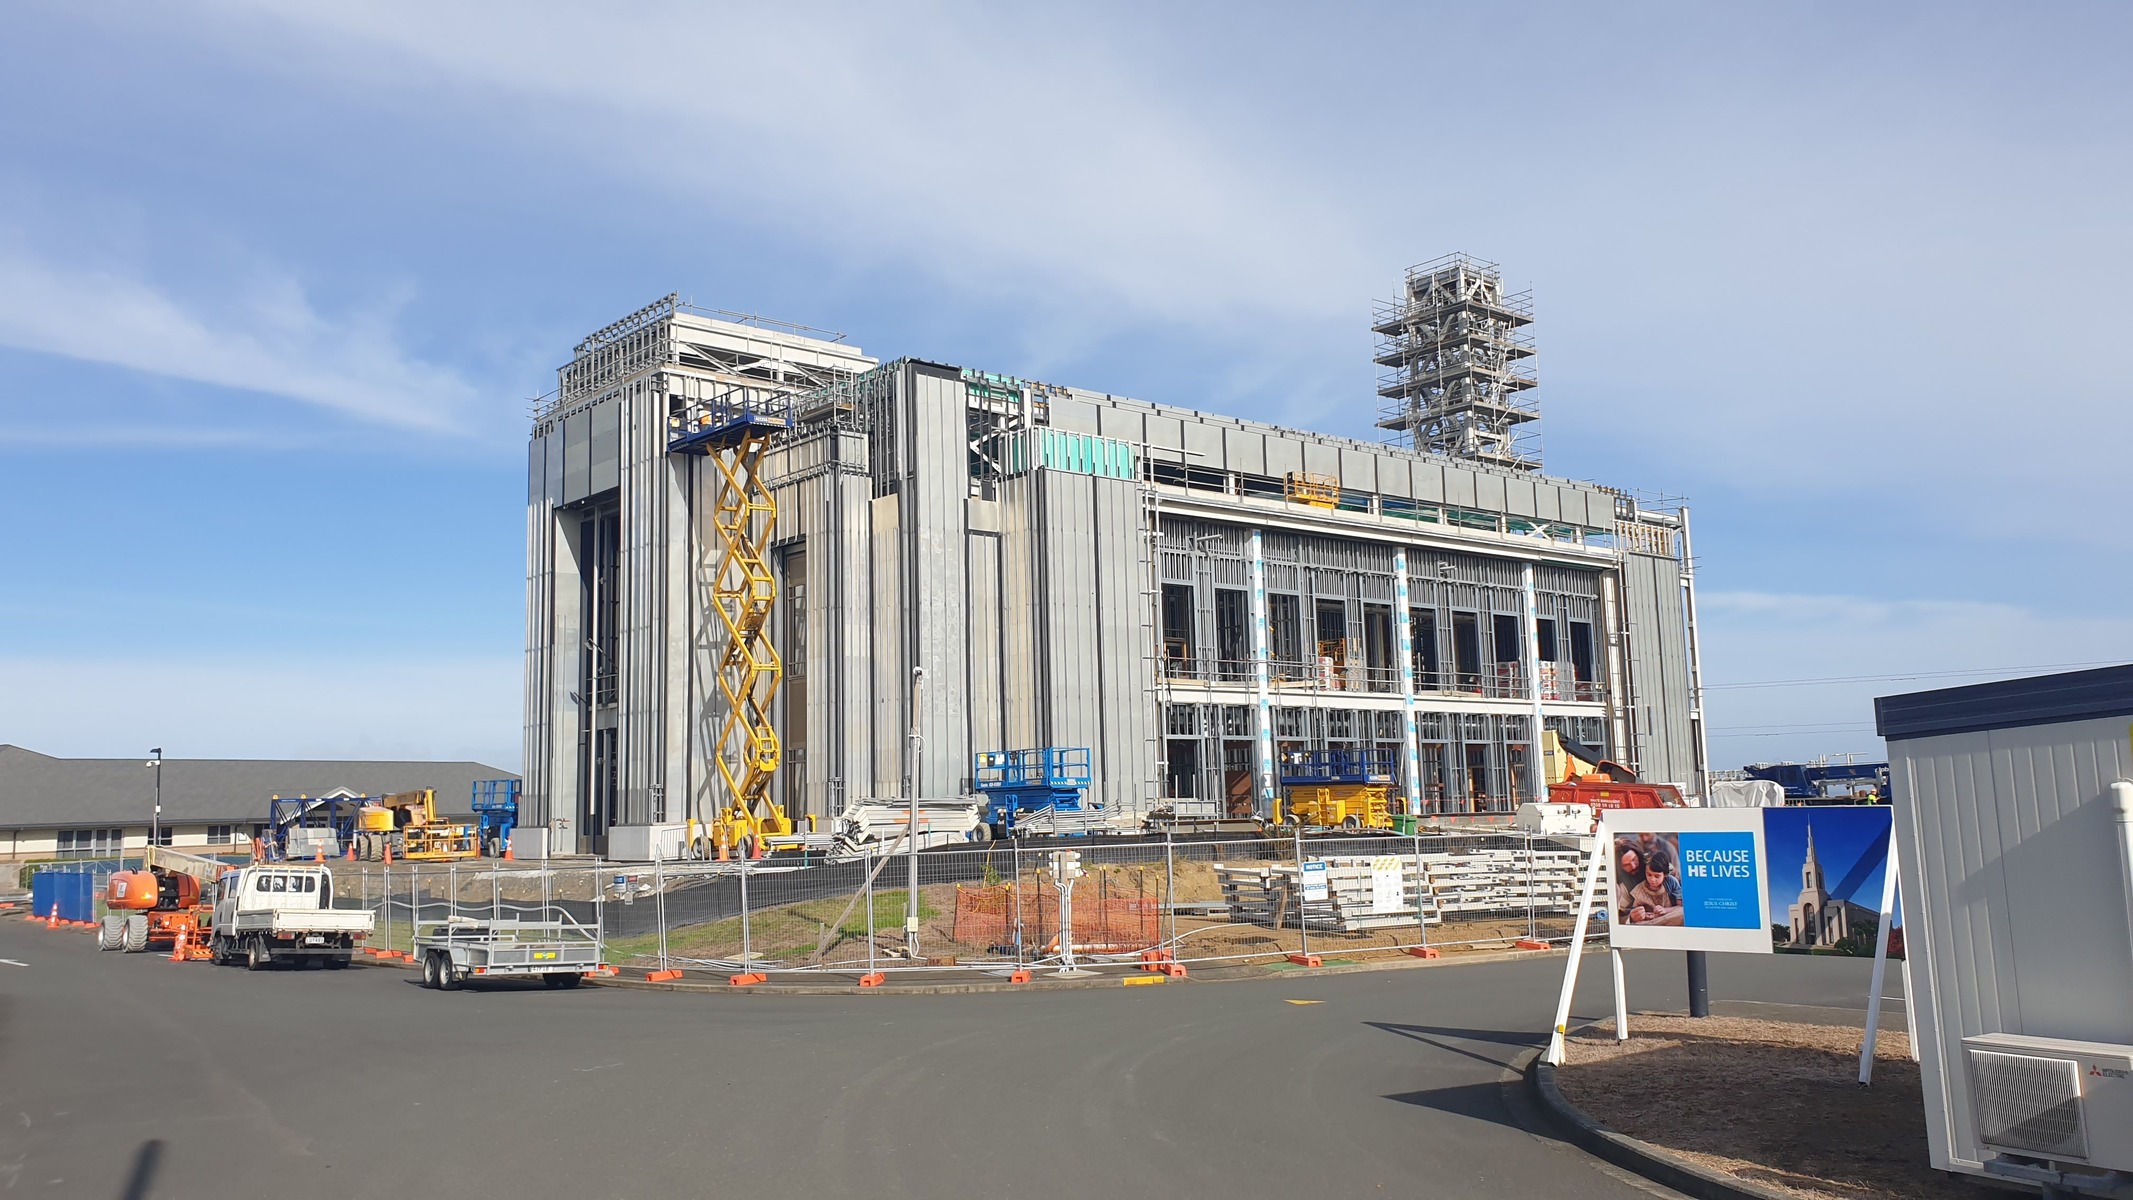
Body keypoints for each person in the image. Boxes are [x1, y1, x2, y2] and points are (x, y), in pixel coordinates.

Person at [1626, 843, 1684, 926]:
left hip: (1668, 917)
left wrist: (1665, 910)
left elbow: (1680, 906)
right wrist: (1643, 915)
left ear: (1665, 874)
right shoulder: (1639, 890)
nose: (1652, 880)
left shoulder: (1671, 882)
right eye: (1649, 875)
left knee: (1682, 912)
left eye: (1657, 876)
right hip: (1651, 921)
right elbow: (1635, 911)